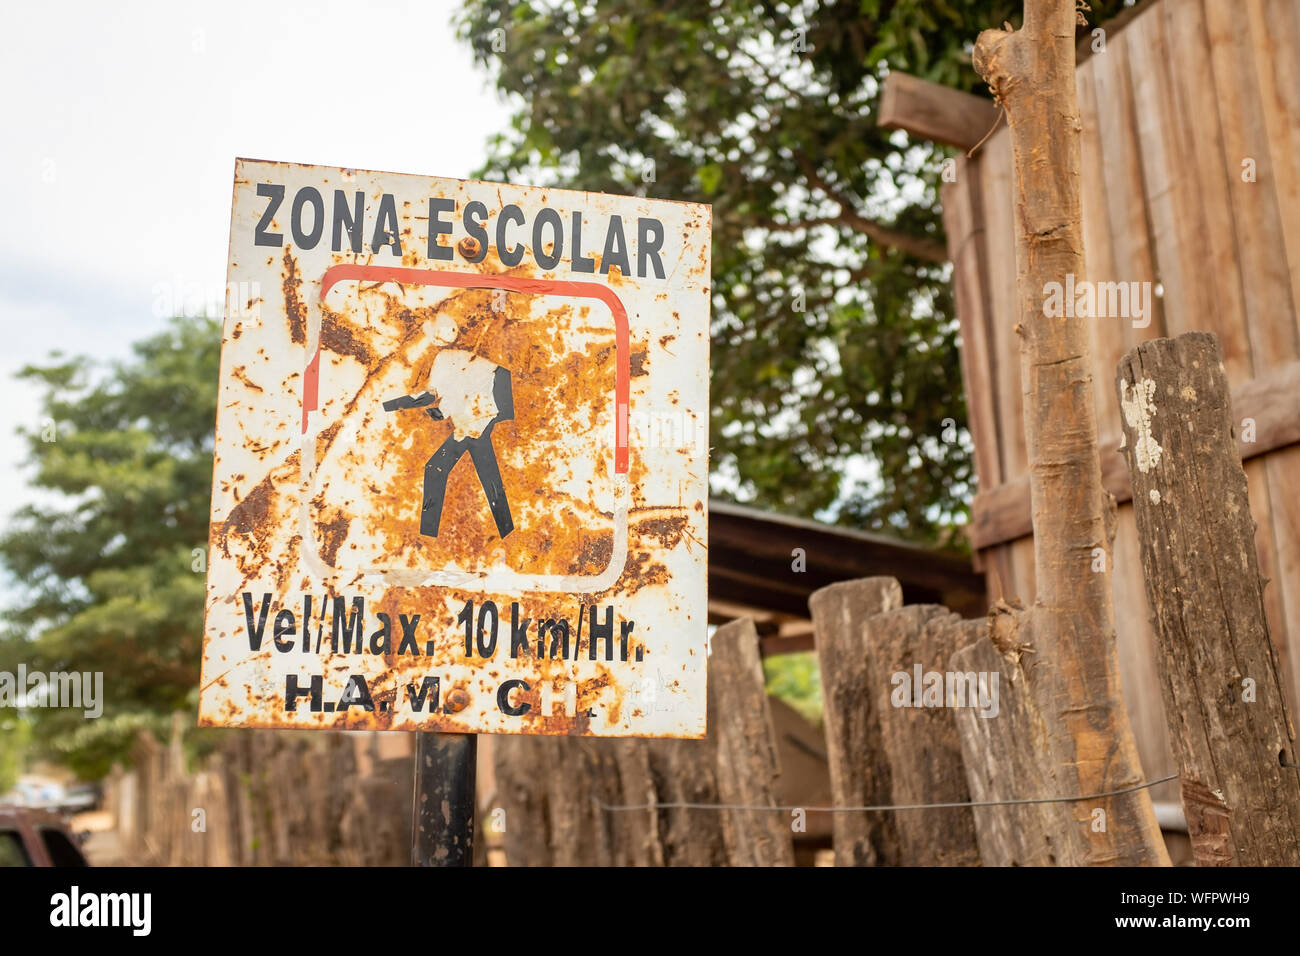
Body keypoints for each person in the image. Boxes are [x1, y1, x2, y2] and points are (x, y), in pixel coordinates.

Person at [383, 317, 515, 539]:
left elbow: (428, 396)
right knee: (486, 474)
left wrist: (391, 405)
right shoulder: (460, 358)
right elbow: (448, 394)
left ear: (436, 338)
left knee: (436, 469)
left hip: (474, 423)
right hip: (474, 420)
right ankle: (507, 530)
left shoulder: (444, 358)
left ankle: (427, 534)